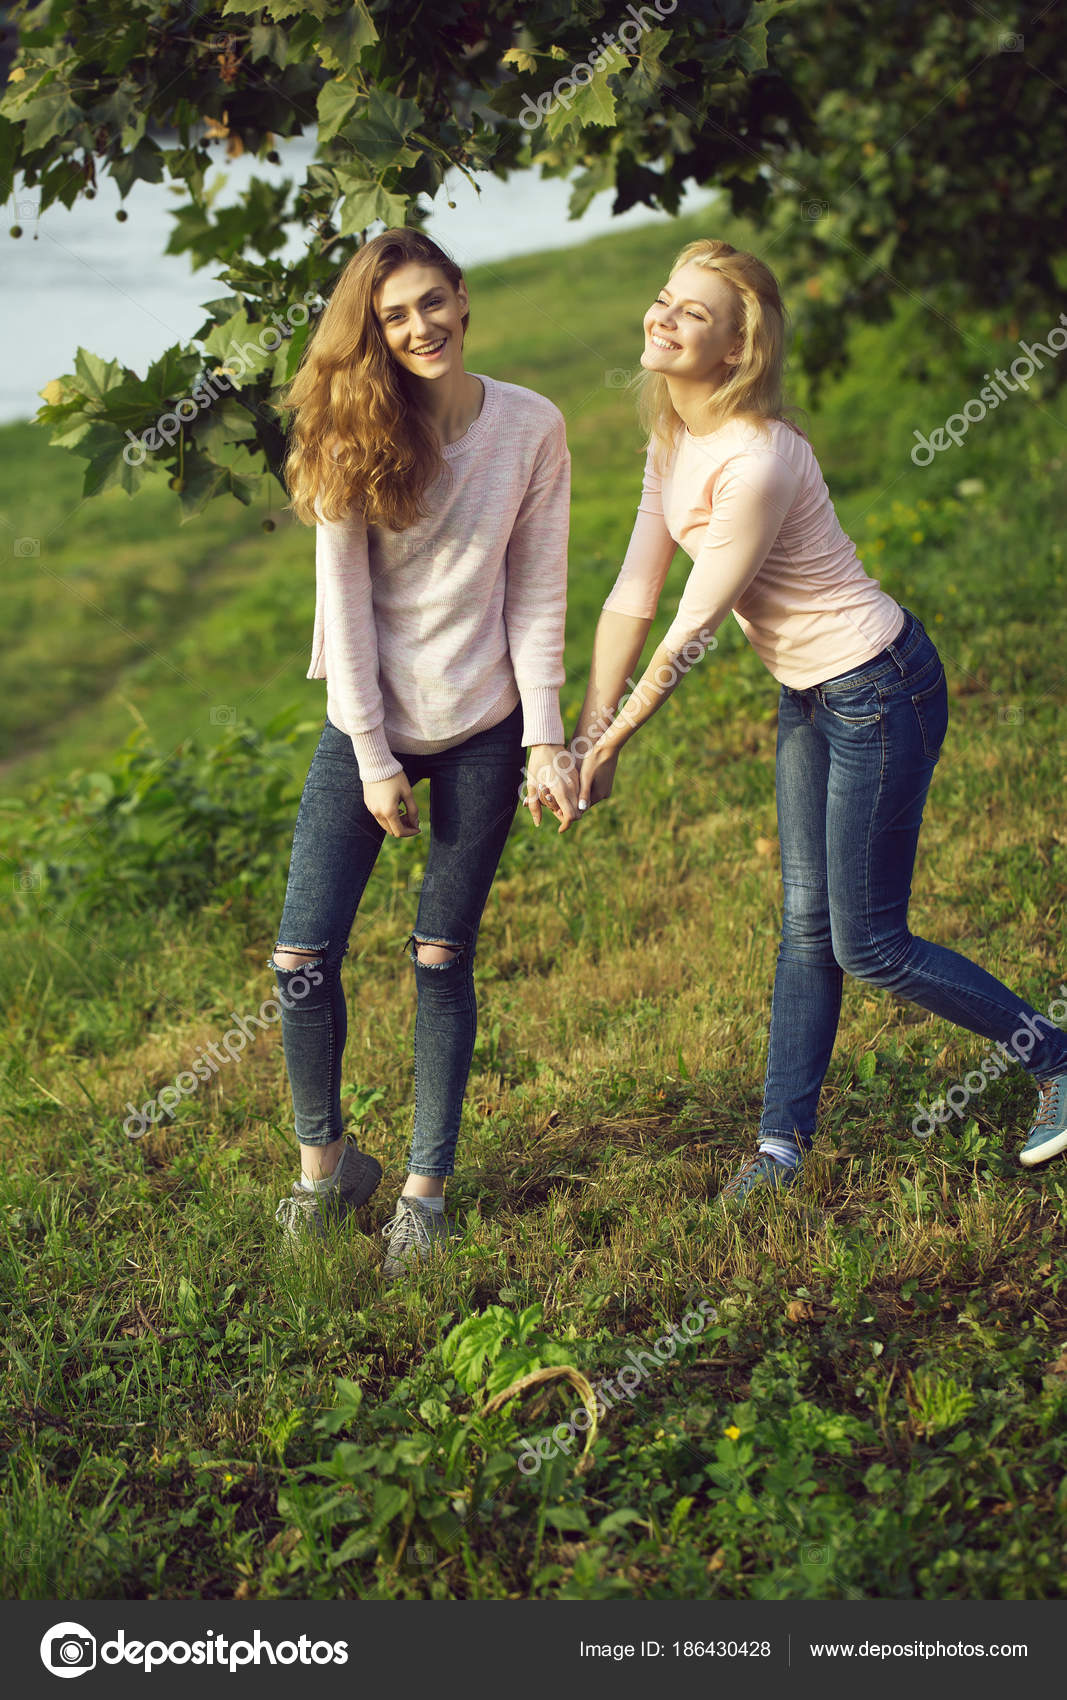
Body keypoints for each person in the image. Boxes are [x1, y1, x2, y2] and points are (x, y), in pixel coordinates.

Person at [570, 237, 1067, 1202]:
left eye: (693, 314)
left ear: (735, 351)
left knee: (869, 943)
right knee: (805, 926)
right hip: (810, 694)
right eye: (663, 298)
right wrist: (588, 728)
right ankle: (779, 1150)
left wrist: (611, 744)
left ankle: (1054, 1056)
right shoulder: (670, 440)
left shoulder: (756, 460)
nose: (662, 317)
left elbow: (690, 627)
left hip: (879, 686)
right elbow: (632, 595)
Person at [271, 228, 579, 1277]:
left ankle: (423, 1194)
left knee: (440, 954)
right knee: (300, 958)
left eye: (435, 301)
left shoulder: (531, 425)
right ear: (372, 329)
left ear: (462, 299)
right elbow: (344, 614)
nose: (422, 326)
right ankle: (325, 1173)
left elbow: (537, 590)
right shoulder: (347, 434)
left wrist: (542, 733)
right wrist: (370, 755)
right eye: (397, 314)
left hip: (487, 724)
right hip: (373, 725)